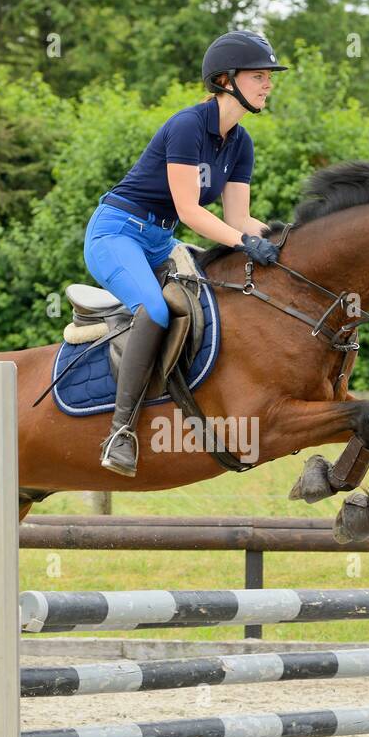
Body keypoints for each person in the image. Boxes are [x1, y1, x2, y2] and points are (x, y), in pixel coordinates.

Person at [83, 30, 288, 476]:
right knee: (155, 311)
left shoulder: (241, 143)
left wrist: (280, 237)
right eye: (259, 76)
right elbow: (190, 210)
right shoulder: (187, 126)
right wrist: (243, 241)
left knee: (210, 306)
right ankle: (120, 432)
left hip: (159, 243)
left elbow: (238, 221)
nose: (268, 84)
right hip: (116, 234)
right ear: (225, 80)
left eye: (268, 76)